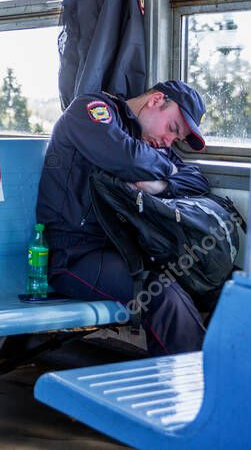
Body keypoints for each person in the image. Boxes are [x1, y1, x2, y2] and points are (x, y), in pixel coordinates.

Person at [36, 80, 211, 355]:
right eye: (172, 128)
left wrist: (163, 185)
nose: (168, 141)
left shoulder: (147, 141)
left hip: (124, 251)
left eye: (175, 140)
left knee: (211, 281)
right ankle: (186, 392)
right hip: (74, 254)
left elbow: (197, 179)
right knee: (161, 294)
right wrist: (168, 168)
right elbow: (124, 157)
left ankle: (203, 382)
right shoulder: (91, 111)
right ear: (155, 100)